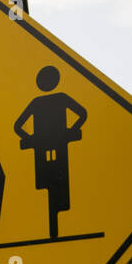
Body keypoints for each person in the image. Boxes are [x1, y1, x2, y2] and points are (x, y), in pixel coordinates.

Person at [13, 66, 87, 240]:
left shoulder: (40, 102)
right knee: (49, 185)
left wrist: (30, 137)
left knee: (55, 185)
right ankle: (52, 226)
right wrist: (70, 130)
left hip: (50, 148)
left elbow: (18, 126)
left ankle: (54, 227)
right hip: (50, 148)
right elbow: (82, 114)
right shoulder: (52, 100)